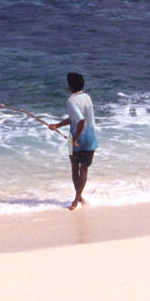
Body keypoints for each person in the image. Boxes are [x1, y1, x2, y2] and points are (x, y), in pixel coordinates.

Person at [49, 72, 97, 210]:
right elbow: (75, 119)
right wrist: (57, 126)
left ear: (69, 86)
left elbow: (81, 121)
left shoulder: (71, 101)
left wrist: (75, 139)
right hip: (90, 137)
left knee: (75, 169)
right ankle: (79, 198)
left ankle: (76, 200)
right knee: (84, 170)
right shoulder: (87, 97)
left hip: (77, 138)